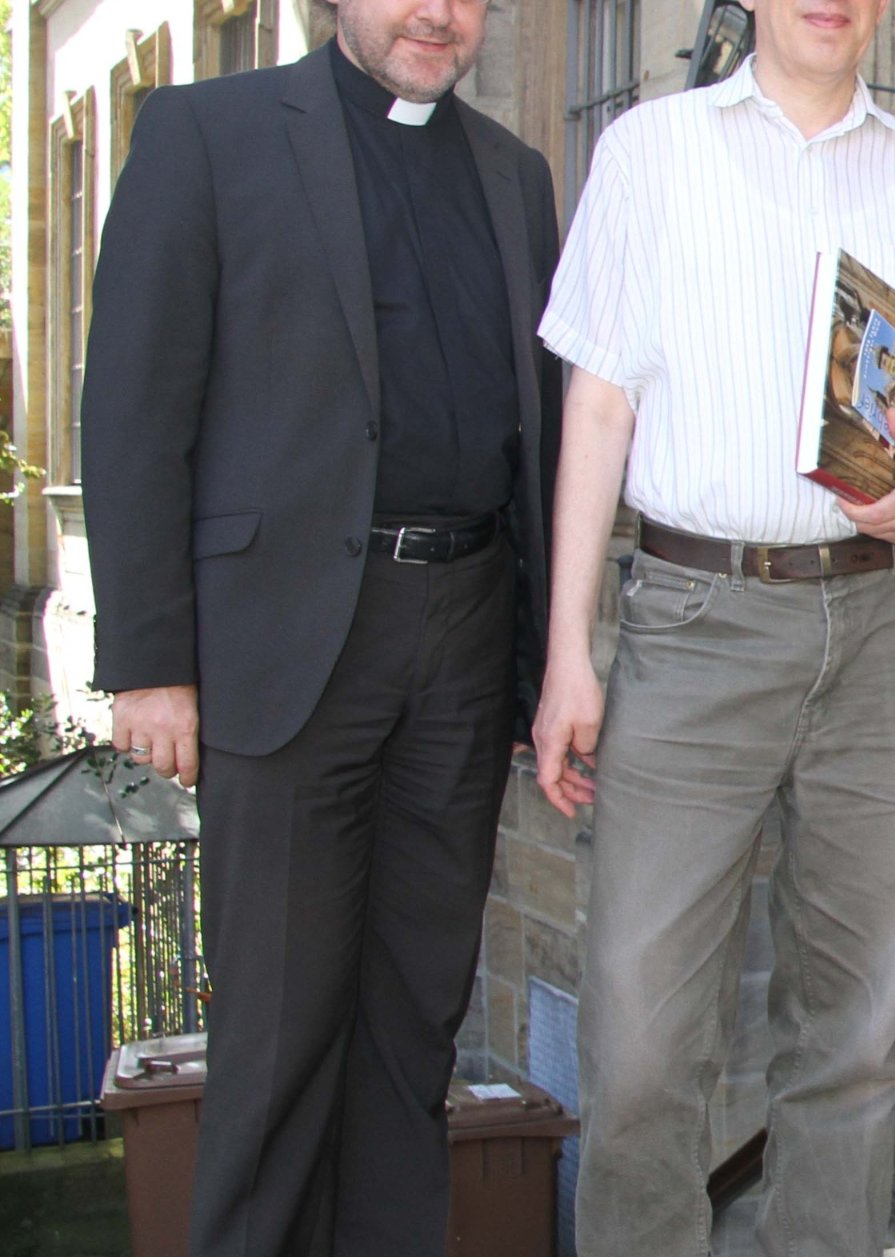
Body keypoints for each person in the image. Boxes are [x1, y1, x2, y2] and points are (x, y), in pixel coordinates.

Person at [79, 0, 561, 1249]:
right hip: (284, 643)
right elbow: (132, 401)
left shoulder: (514, 177)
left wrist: (538, 668)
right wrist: (149, 664)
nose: (437, 13)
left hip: (461, 633)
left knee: (415, 1024)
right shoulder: (206, 133)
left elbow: (543, 431)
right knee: (280, 1029)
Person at [529, 0, 895, 1251]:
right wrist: (568, 650)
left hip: (888, 629)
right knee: (639, 1052)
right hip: (692, 624)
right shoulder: (651, 150)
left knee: (850, 1043)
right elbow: (597, 406)